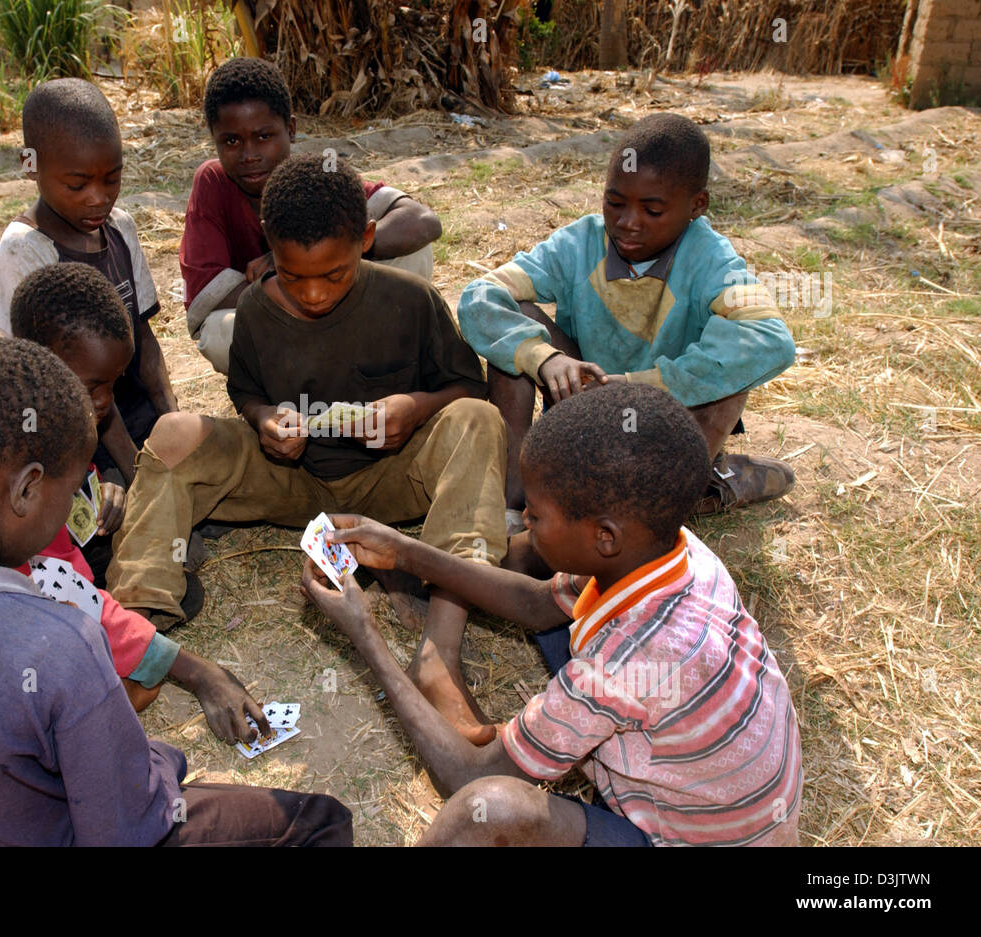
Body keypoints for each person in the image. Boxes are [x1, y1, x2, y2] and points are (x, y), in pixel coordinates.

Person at [0, 337, 352, 846]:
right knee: (321, 823)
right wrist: (162, 759)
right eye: (68, 495)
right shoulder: (58, 643)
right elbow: (126, 827)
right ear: (28, 490)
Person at [110, 154, 508, 746]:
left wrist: (414, 408)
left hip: (391, 482)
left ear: (366, 240)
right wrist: (264, 419)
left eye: (335, 275)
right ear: (268, 249)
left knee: (476, 420)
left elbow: (467, 387)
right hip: (291, 480)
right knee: (172, 435)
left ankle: (439, 655)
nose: (314, 293)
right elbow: (244, 392)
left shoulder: (409, 299)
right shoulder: (255, 308)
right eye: (294, 277)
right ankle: (136, 636)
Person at [301, 383, 803, 846]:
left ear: (605, 536)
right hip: (724, 793)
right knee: (555, 608)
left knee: (486, 808)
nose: (524, 520)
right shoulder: (680, 552)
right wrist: (404, 551)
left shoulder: (618, 666)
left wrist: (366, 636)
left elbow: (469, 776)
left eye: (536, 514)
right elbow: (538, 604)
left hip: (694, 839)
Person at [457, 113, 796, 534]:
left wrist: (638, 386)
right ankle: (516, 502)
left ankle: (674, 498)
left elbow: (770, 340)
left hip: (662, 426)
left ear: (697, 206)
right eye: (615, 203)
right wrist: (544, 359)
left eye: (652, 210)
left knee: (731, 379)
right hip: (583, 407)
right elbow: (480, 295)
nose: (628, 222)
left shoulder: (712, 261)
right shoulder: (580, 243)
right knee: (516, 326)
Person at [9, 262, 267, 742]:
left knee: (179, 594)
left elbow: (69, 559)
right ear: (36, 361)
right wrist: (193, 670)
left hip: (57, 573)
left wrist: (99, 491)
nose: (104, 402)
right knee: (136, 681)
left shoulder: (63, 427)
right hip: (20, 606)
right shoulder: (16, 456)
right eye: (91, 386)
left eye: (112, 384)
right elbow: (54, 581)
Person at [180, 56, 443, 374]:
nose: (250, 155)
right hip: (280, 322)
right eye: (232, 141)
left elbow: (422, 221)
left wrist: (317, 261)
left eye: (264, 136)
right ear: (214, 140)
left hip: (339, 305)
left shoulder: (315, 173)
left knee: (413, 252)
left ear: (290, 129)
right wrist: (287, 278)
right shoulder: (212, 182)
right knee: (220, 333)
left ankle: (354, 362)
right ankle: (337, 365)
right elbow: (207, 298)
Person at [0, 77, 176, 507]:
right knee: (111, 513)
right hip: (75, 432)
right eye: (77, 185)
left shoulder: (120, 228)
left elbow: (146, 342)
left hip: (136, 415)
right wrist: (136, 472)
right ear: (30, 165)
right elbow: (57, 386)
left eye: (112, 179)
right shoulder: (25, 251)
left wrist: (173, 420)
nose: (99, 199)